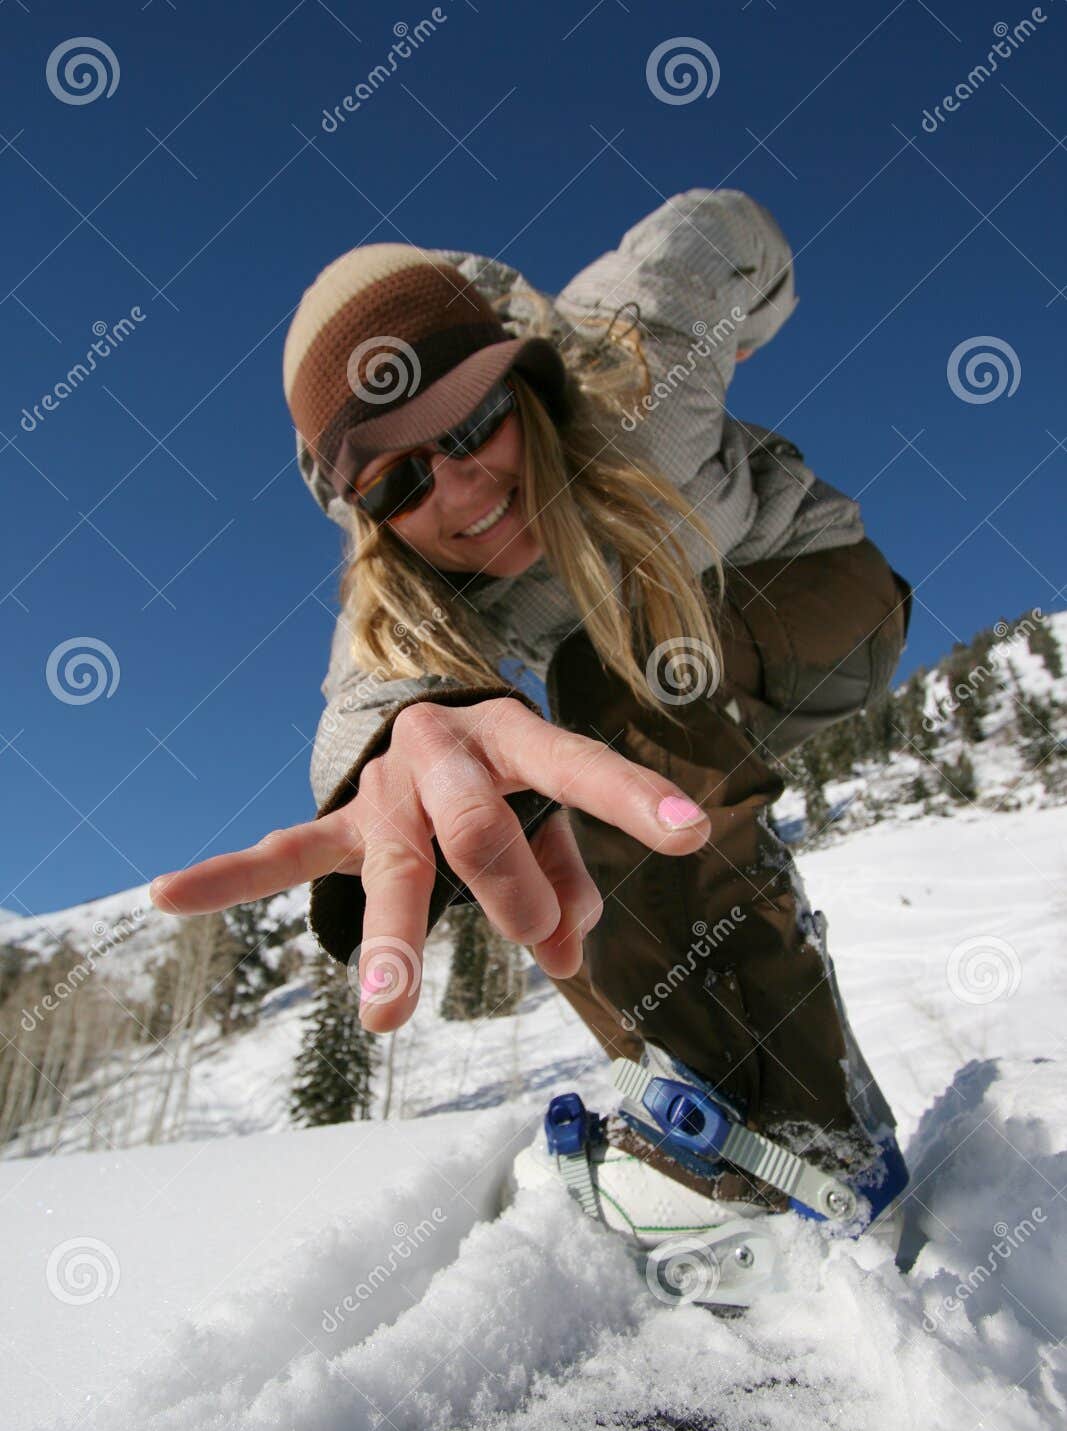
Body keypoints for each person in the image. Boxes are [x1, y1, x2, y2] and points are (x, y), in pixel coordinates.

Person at [150, 188, 912, 1229]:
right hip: (669, 692)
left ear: (520, 380)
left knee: (609, 684)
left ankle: (813, 1137)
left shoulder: (628, 358)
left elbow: (718, 228)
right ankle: (698, 1101)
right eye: (397, 484)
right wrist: (400, 746)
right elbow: (372, 683)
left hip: (820, 597)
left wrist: (756, 313)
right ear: (364, 513)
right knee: (514, 790)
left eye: (471, 425)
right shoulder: (407, 585)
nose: (459, 496)